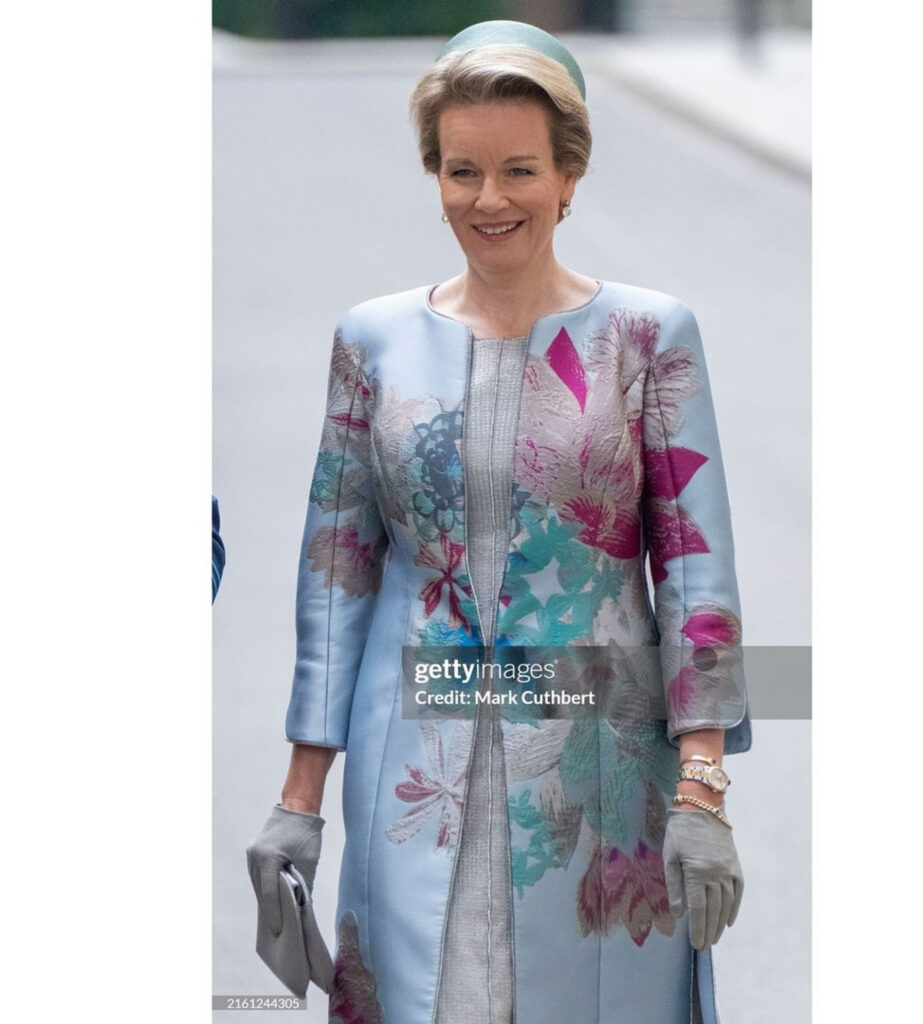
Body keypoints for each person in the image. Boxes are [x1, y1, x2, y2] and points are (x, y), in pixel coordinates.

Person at [247, 20, 750, 1024]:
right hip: (413, 777)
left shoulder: (648, 338)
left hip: (597, 776)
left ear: (569, 174)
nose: (488, 199)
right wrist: (298, 798)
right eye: (461, 170)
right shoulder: (372, 341)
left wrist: (701, 785)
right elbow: (335, 585)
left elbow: (696, 579)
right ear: (433, 174)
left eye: (518, 169)